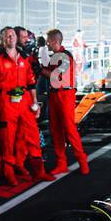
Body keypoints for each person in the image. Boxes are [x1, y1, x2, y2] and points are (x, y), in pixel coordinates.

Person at [0, 26, 53, 187]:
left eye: (12, 35)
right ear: (2, 39)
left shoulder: (24, 57)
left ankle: (39, 171)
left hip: (25, 101)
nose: (11, 38)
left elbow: (31, 82)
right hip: (5, 101)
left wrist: (35, 102)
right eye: (7, 36)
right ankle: (8, 173)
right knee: (8, 139)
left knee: (33, 135)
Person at [39, 29, 89, 175]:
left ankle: (82, 160)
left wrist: (40, 70)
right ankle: (62, 163)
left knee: (69, 128)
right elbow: (49, 71)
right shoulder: (56, 56)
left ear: (55, 41)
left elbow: (57, 77)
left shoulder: (65, 56)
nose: (47, 43)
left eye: (48, 41)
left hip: (65, 94)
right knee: (56, 130)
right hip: (55, 95)